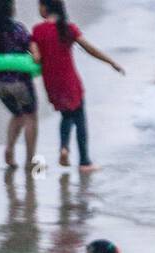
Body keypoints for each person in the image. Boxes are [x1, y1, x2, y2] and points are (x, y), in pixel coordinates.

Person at [30, 0, 123, 172]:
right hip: (70, 81)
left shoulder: (37, 30)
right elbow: (89, 48)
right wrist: (111, 62)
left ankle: (64, 147)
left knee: (66, 115)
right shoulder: (68, 29)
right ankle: (84, 161)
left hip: (51, 82)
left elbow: (35, 58)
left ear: (45, 8)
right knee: (79, 118)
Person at [0, 0, 38, 169]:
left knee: (17, 115)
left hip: (0, 85)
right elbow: (33, 53)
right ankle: (30, 161)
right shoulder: (17, 29)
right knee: (30, 117)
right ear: (9, 9)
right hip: (21, 84)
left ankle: (9, 150)